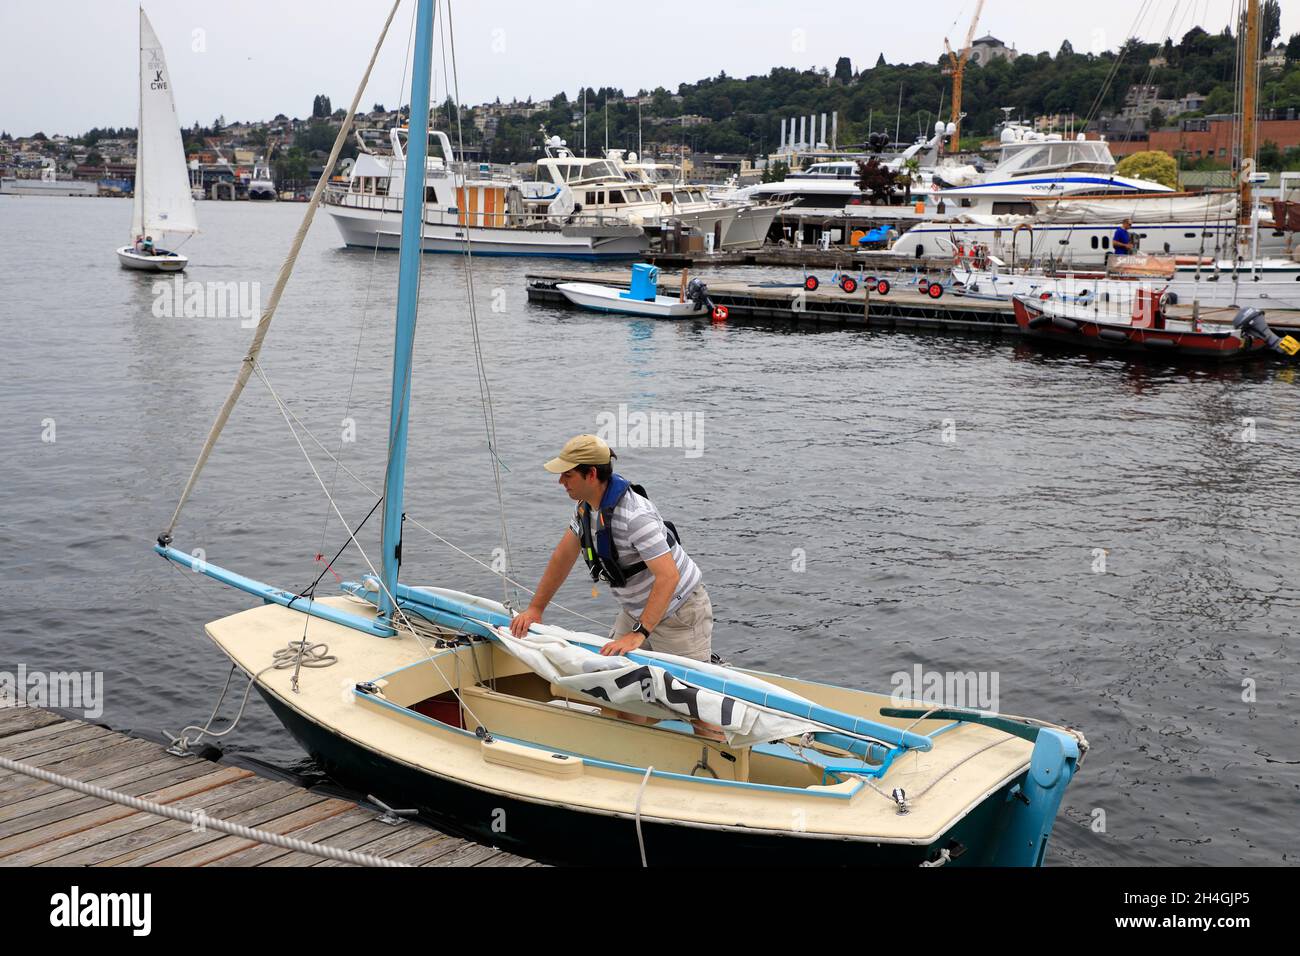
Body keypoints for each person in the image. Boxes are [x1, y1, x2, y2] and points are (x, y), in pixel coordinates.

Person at [509, 434, 719, 735]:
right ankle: (634, 755)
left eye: (567, 475)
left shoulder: (635, 516)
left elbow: (668, 576)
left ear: (591, 474)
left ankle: (718, 769)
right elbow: (563, 555)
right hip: (637, 611)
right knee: (617, 688)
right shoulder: (586, 509)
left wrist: (639, 634)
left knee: (696, 704)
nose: (561, 483)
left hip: (680, 613)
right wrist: (535, 609)